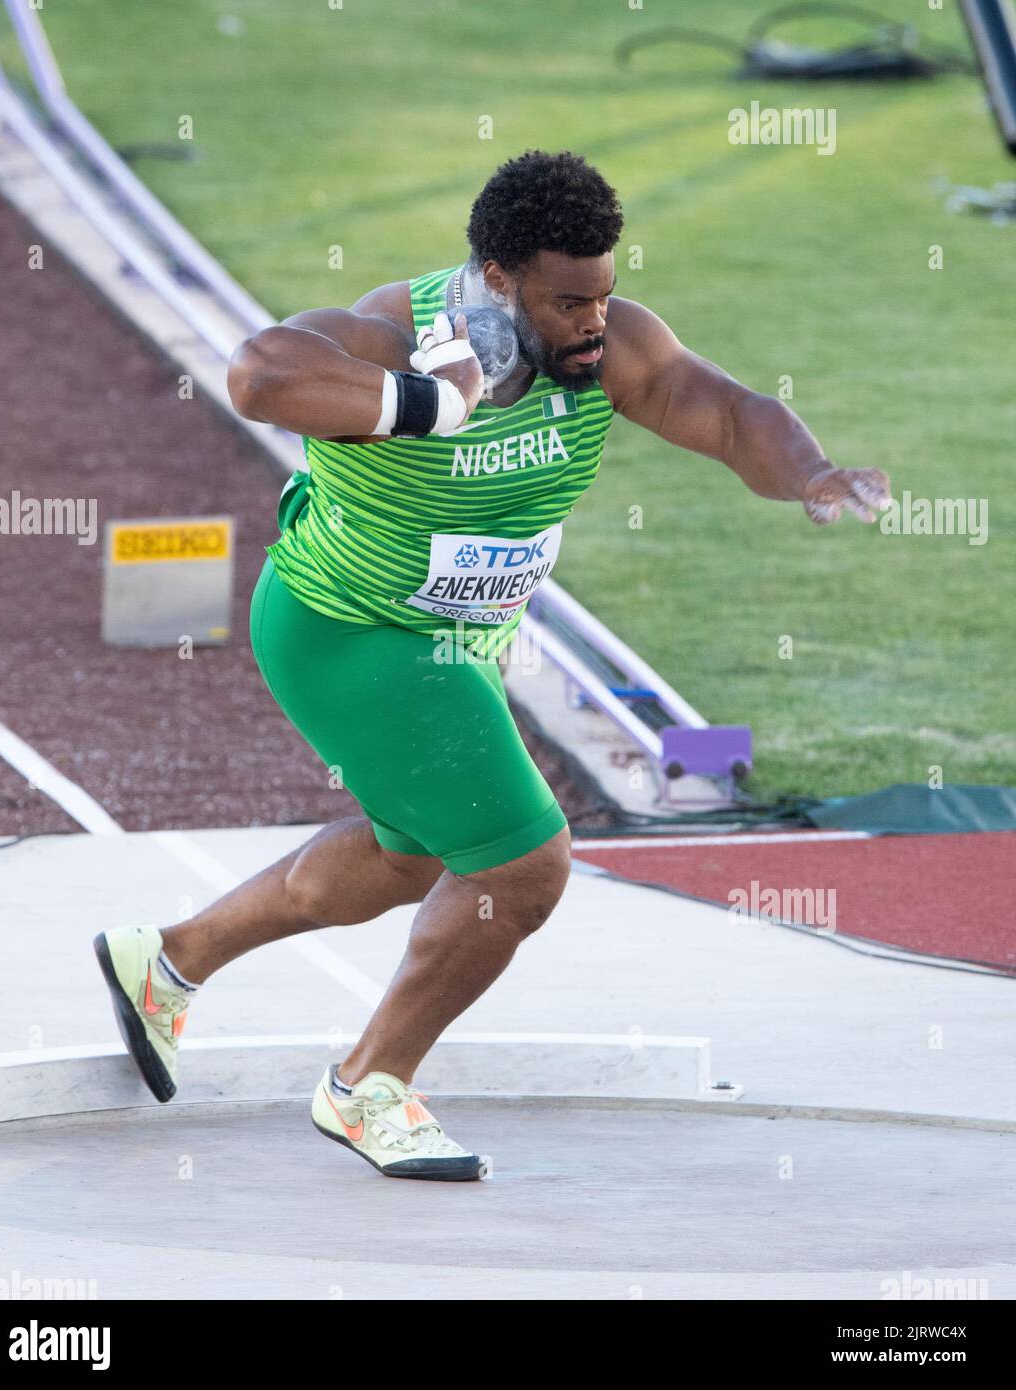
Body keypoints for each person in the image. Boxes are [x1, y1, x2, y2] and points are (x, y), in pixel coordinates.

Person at [94, 150, 890, 1181]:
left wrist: (810, 472)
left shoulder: (606, 345)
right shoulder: (390, 333)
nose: (593, 323)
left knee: (408, 858)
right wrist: (431, 403)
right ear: (499, 279)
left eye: (602, 294)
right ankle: (367, 1085)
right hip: (348, 630)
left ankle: (166, 958)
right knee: (521, 863)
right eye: (567, 302)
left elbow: (731, 411)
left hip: (456, 642)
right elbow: (256, 375)